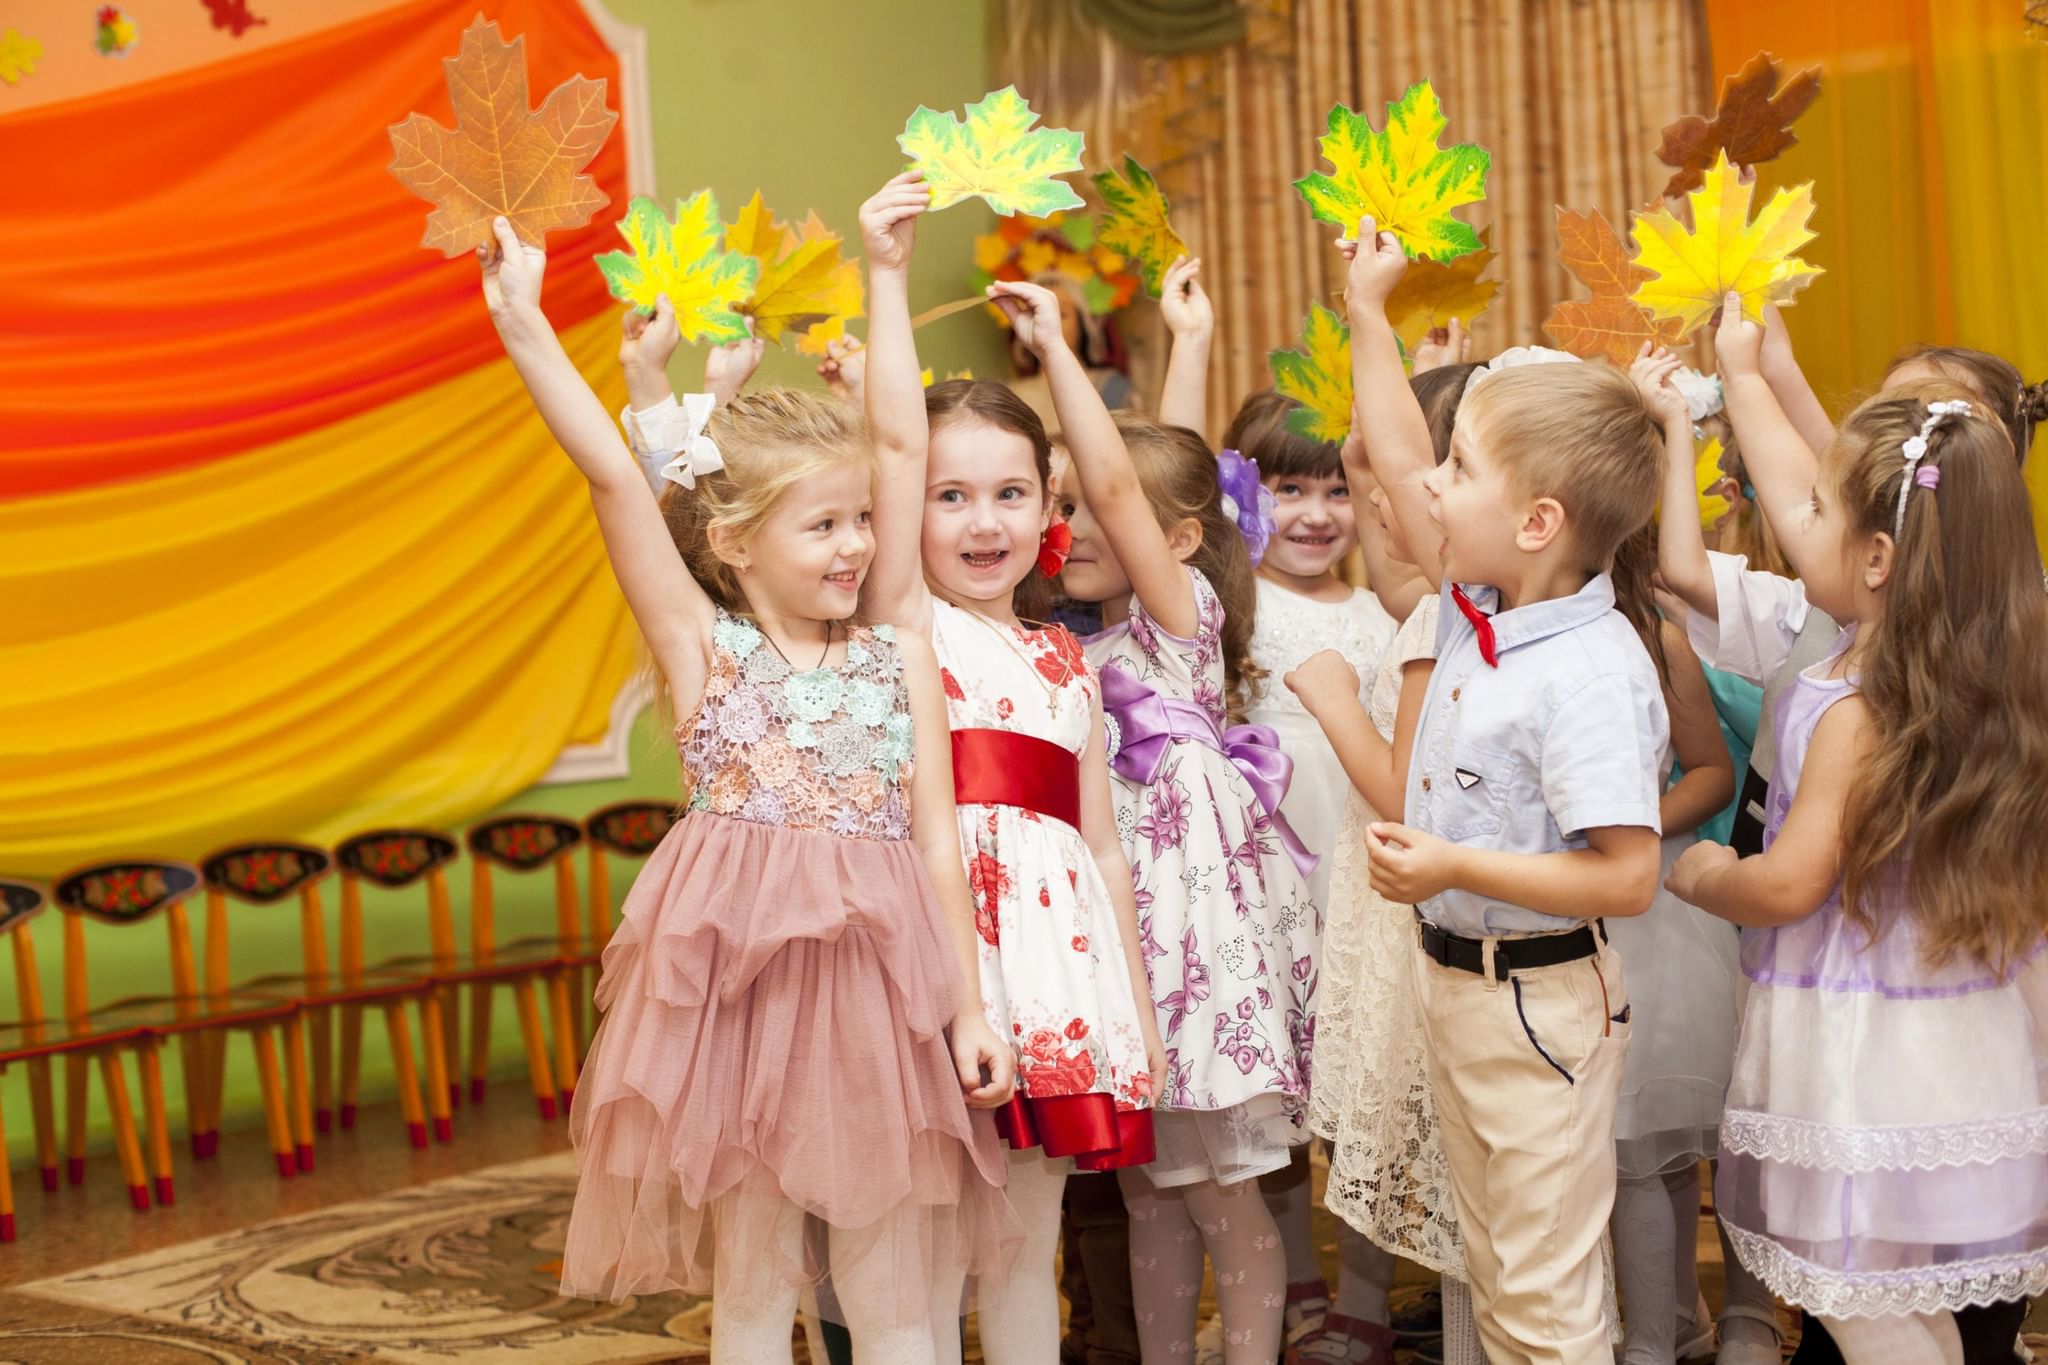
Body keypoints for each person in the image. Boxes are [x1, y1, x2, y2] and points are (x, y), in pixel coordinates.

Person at [473, 216, 1017, 1365]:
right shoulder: (700, 652)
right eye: (824, 524)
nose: (858, 545)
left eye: (862, 519)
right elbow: (615, 477)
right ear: (731, 541)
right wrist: (523, 320)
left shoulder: (896, 654)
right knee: (756, 1288)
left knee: (893, 1298)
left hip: (879, 1008)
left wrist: (968, 1007)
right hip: (736, 1015)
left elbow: (932, 845)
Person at [1667, 303, 2048, 1365]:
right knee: (1911, 1311)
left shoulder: (1849, 702)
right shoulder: (1996, 671)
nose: (1798, 529)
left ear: (1874, 558)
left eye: (1819, 518)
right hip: (1964, 1046)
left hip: (1856, 1059)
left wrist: (1704, 874)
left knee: (1869, 1315)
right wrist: (1748, 372)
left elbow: (1789, 885)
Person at [1344, 215, 1670, 1365]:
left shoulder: (1584, 669)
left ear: (1535, 522)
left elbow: (1626, 874)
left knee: (1542, 1306)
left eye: (1459, 469)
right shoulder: (1483, 608)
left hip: (1535, 1009)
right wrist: (1366, 313)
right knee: (1496, 1281)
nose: (1427, 487)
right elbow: (1392, 458)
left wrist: (1451, 865)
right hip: (1459, 993)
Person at [857, 172, 1166, 1365]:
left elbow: (1096, 842)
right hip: (941, 972)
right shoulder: (904, 624)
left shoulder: (1061, 658)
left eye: (1006, 494)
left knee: (1025, 1246)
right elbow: (887, 435)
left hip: (1054, 976)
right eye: (946, 496)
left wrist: (1129, 1004)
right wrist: (887, 277)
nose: (979, 522)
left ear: (1046, 508)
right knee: (927, 1252)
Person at [1013, 264, 1316, 1361]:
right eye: (1058, 510)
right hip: (1114, 941)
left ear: (1177, 541)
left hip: (1194, 947)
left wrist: (1058, 355)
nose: (1070, 523)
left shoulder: (1174, 628)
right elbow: (1150, 473)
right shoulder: (1057, 641)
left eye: (1086, 506)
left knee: (1224, 1194)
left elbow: (1137, 480)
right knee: (1145, 1193)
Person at [1154, 254, 1402, 1361]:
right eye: (1287, 489)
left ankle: (1366, 1286)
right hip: (1256, 896)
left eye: (1335, 488)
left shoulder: (1388, 606)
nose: (1314, 512)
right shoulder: (1228, 608)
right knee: (1275, 1108)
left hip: (1364, 884)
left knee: (1365, 1094)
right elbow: (1158, 497)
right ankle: (1296, 1282)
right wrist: (1190, 350)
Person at [1288, 359, 1487, 1365]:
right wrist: (1367, 462)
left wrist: (1328, 699)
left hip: (1418, 898)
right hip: (1400, 907)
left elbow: (1406, 791)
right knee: (1442, 1157)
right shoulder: (1475, 604)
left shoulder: (1438, 619)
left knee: (1454, 1165)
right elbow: (1394, 536)